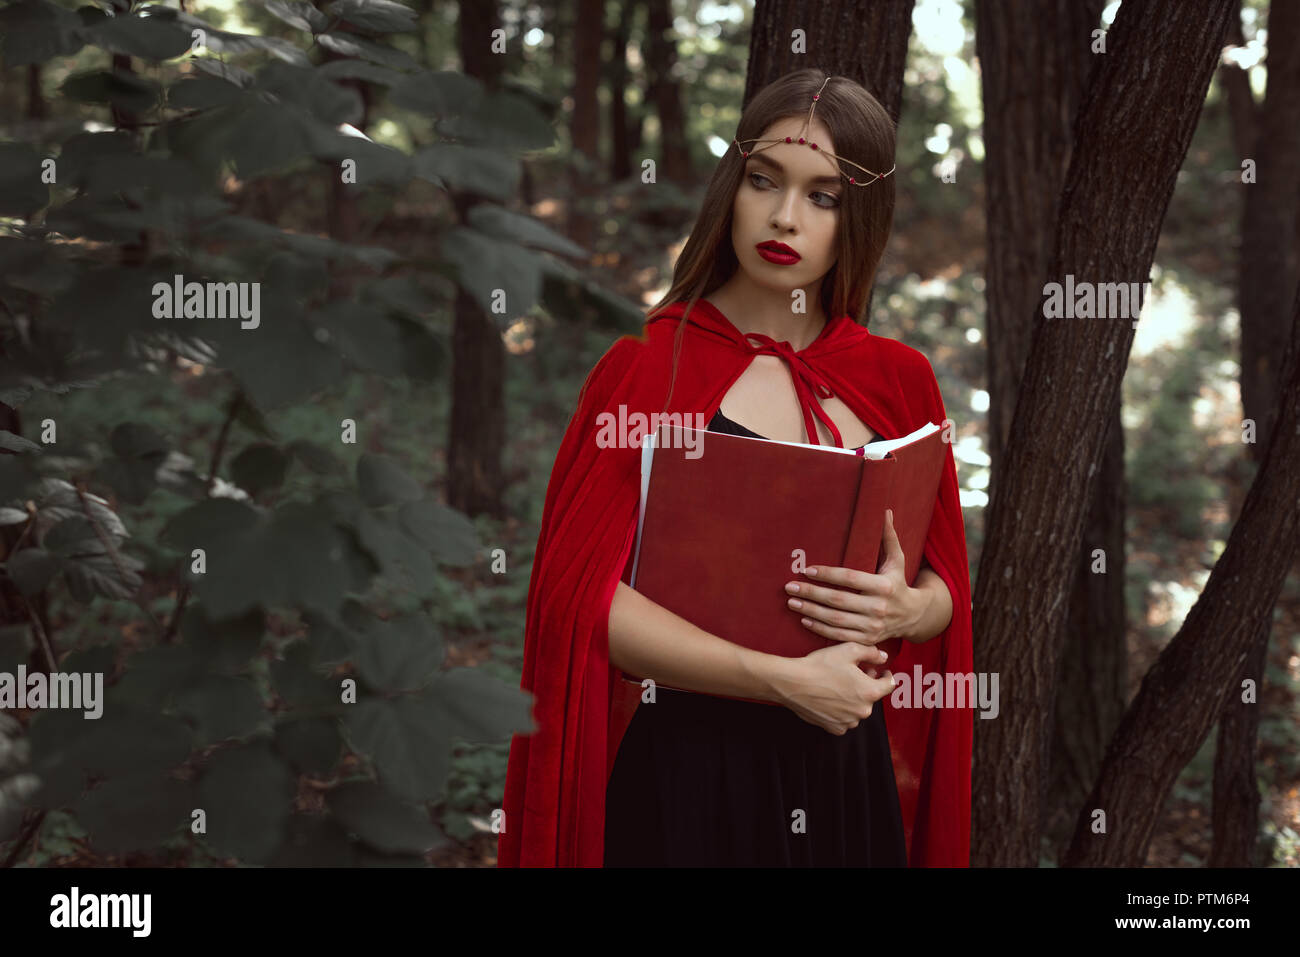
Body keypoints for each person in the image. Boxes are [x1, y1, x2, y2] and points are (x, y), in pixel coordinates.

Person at [498, 69, 972, 868]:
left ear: (859, 218)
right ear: (733, 185)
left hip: (843, 771)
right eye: (765, 181)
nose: (785, 216)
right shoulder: (648, 363)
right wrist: (783, 679)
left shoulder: (897, 378)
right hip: (690, 769)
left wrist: (902, 611)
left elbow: (943, 590)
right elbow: (579, 602)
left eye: (824, 196)